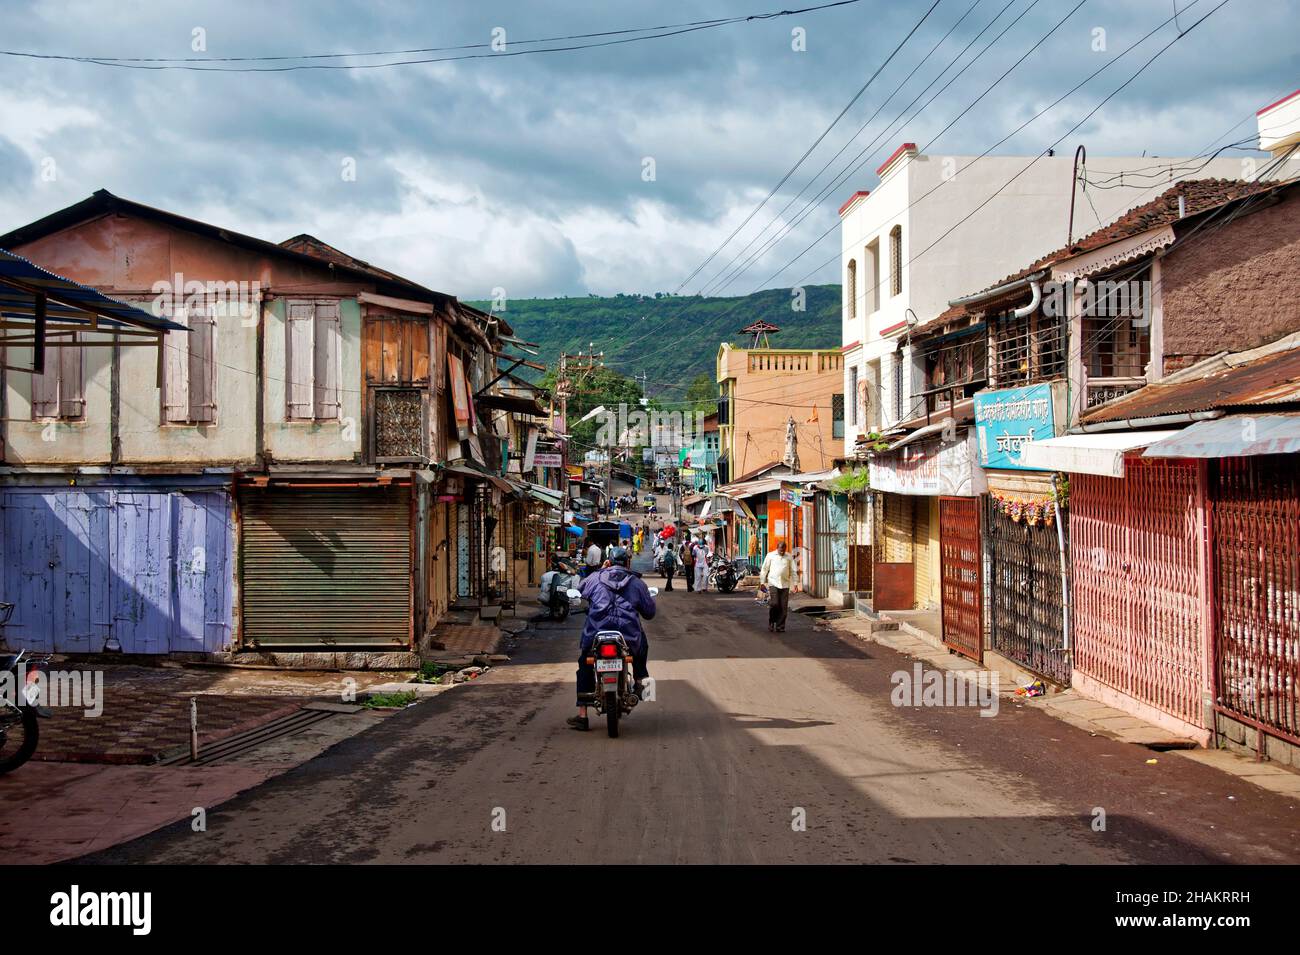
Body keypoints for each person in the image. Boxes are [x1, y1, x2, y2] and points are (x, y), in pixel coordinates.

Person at [568, 546, 656, 731]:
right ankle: (641, 679)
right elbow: (649, 613)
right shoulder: (637, 583)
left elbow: (580, 591)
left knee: (584, 663)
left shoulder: (595, 577)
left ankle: (583, 715)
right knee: (642, 646)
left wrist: (601, 570)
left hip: (595, 635)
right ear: (627, 563)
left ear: (608, 561)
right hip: (628, 636)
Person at [759, 540, 795, 632]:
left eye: (783, 550)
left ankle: (780, 626)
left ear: (785, 549)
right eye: (780, 550)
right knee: (774, 604)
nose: (782, 552)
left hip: (785, 584)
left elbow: (793, 571)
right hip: (773, 583)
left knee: (783, 607)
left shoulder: (789, 557)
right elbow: (764, 569)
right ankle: (772, 621)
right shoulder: (770, 556)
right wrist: (762, 582)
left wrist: (795, 583)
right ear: (777, 548)